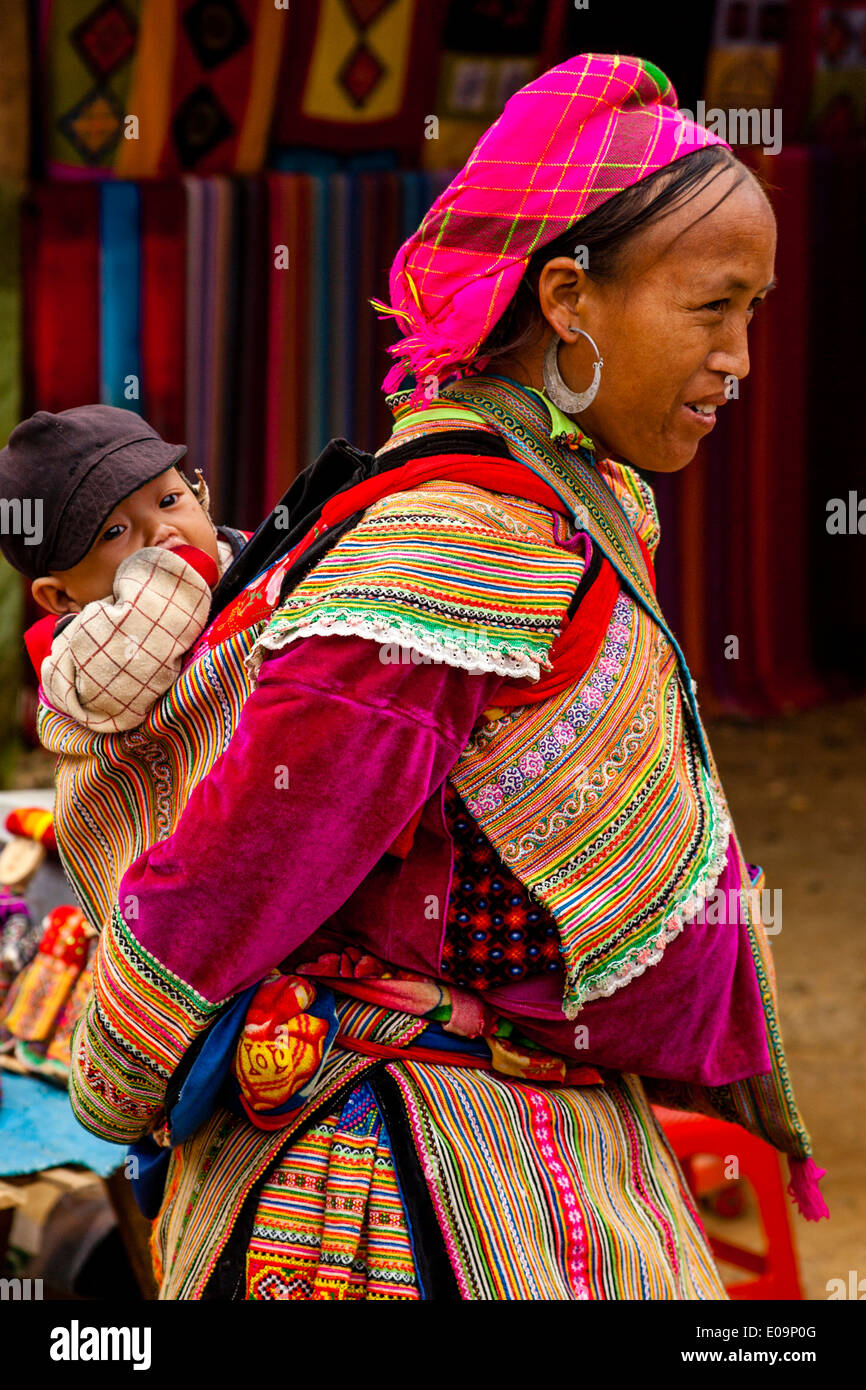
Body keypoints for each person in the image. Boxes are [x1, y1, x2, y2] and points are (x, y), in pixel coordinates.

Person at [68, 54, 825, 1301]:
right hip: (397, 1181)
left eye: (753, 312)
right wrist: (122, 1068)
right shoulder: (459, 540)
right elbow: (257, 840)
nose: (739, 357)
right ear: (570, 297)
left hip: (545, 1133)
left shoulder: (565, 511)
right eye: (712, 307)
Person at [0, 405, 247, 735]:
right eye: (114, 531)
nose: (161, 531)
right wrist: (169, 583)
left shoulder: (262, 555)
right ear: (59, 595)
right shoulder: (87, 661)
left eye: (169, 500)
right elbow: (125, 672)